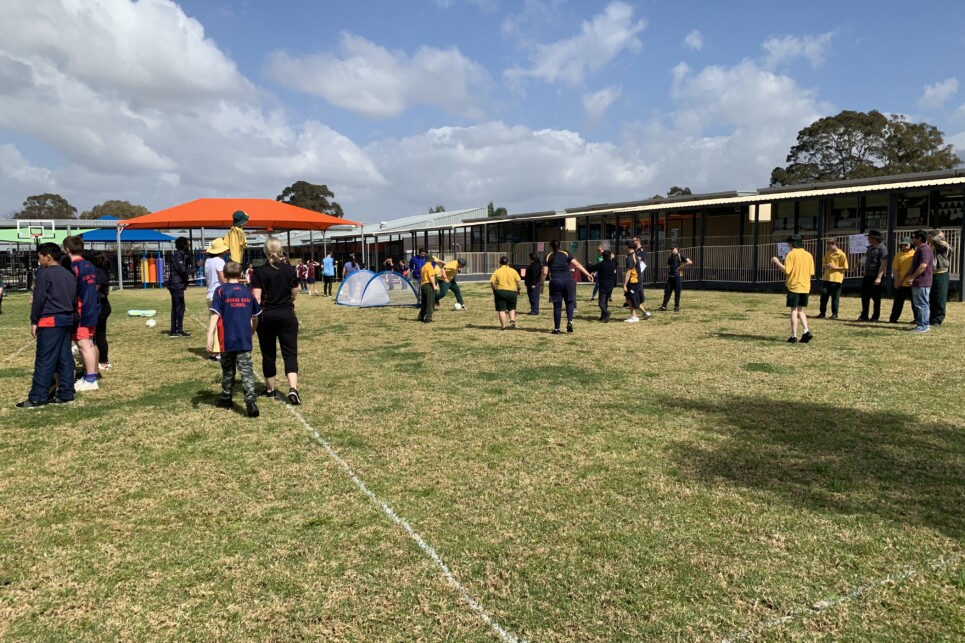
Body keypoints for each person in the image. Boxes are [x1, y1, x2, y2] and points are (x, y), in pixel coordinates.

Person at [17, 243, 77, 408]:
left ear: (48, 256)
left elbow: (39, 300)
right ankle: (66, 393)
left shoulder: (44, 274)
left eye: (39, 257)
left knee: (44, 359)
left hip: (50, 321)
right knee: (64, 358)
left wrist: (34, 320)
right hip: (67, 319)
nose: (39, 261)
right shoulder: (69, 274)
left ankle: (38, 397)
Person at [250, 237, 301, 405]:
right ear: (281, 250)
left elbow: (256, 298)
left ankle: (270, 389)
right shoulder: (289, 270)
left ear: (265, 251)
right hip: (287, 315)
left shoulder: (258, 271)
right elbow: (294, 292)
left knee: (268, 354)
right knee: (290, 353)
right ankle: (293, 388)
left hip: (266, 317)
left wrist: (251, 316)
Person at [63, 236, 100, 390]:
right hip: (92, 307)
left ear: (66, 249)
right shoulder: (89, 265)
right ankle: (89, 375)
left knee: (84, 344)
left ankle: (91, 379)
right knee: (89, 343)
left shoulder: (74, 266)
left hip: (82, 309)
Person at [540, 239, 593, 334]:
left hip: (556, 281)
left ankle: (557, 329)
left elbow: (544, 272)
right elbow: (577, 264)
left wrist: (542, 284)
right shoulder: (566, 253)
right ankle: (570, 321)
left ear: (550, 246)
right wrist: (588, 274)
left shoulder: (548, 256)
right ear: (560, 245)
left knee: (557, 305)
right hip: (568, 280)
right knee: (569, 301)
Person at [771, 234, 814, 343]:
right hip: (805, 286)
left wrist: (777, 262)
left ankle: (793, 335)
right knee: (800, 310)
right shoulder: (808, 255)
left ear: (792, 243)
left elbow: (787, 270)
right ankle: (806, 331)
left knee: (794, 310)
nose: (787, 245)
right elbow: (811, 272)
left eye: (788, 243)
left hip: (794, 286)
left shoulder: (791, 254)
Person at [204, 237, 229, 361]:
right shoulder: (219, 261)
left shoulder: (208, 261)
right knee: (220, 324)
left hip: (209, 294)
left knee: (212, 323)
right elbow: (223, 279)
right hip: (218, 294)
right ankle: (219, 351)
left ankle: (213, 351)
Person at [905, 230, 934, 334]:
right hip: (918, 282)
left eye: (913, 237)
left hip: (923, 282)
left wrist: (912, 277)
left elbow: (923, 266)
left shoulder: (925, 250)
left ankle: (923, 325)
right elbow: (914, 266)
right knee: (919, 304)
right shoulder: (919, 249)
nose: (912, 239)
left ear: (919, 238)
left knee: (922, 304)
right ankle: (922, 323)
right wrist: (904, 276)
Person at [858, 229, 887, 322]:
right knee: (864, 296)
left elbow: (883, 264)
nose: (868, 239)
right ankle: (864, 315)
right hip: (867, 275)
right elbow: (865, 258)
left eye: (869, 237)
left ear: (874, 238)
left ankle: (875, 316)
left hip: (875, 275)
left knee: (875, 297)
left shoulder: (882, 248)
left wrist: (879, 277)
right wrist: (857, 265)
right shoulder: (870, 248)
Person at [168, 236, 193, 337]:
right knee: (179, 307)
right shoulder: (178, 256)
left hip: (176, 284)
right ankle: (178, 330)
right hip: (176, 284)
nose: (188, 246)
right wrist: (197, 266)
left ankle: (174, 330)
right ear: (184, 245)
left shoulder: (182, 256)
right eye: (187, 244)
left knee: (176, 307)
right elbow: (183, 270)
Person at [816, 239, 848, 319]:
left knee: (835, 297)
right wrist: (826, 265)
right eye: (827, 245)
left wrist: (835, 267)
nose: (828, 247)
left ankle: (835, 313)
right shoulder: (828, 254)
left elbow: (845, 267)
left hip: (836, 278)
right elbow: (824, 264)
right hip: (826, 277)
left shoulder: (841, 254)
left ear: (834, 244)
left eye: (829, 245)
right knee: (824, 295)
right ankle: (822, 312)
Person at [92, 253, 113, 371]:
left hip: (101, 307)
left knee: (99, 336)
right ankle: (102, 360)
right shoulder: (103, 271)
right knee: (98, 335)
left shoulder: (99, 273)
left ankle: (103, 361)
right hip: (103, 306)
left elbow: (101, 291)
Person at [490, 256, 522, 330]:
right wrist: (519, 289)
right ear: (508, 263)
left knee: (501, 310)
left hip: (500, 291)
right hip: (512, 292)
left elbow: (492, 282)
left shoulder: (497, 271)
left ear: (500, 263)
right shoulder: (513, 271)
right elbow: (518, 281)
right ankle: (512, 321)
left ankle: (503, 326)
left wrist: (494, 289)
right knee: (512, 308)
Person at [888, 237, 915, 324]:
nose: (904, 247)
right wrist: (896, 281)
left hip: (912, 283)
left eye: (906, 245)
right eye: (902, 245)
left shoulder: (914, 254)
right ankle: (893, 318)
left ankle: (917, 318)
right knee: (898, 302)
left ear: (911, 245)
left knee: (915, 303)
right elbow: (895, 269)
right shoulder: (898, 255)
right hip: (901, 282)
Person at [622, 241, 650, 323]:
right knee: (629, 298)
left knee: (632, 299)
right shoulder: (633, 256)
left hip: (633, 281)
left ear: (628, 247)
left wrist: (625, 284)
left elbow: (628, 272)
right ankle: (644, 313)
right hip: (636, 280)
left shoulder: (631, 257)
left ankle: (634, 316)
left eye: (626, 246)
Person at [658, 244, 692, 312]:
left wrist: (682, 266)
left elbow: (690, 262)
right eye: (671, 249)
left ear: (677, 248)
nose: (672, 250)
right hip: (671, 277)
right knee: (667, 292)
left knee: (677, 292)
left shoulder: (680, 255)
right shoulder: (671, 256)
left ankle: (676, 307)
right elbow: (670, 264)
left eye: (673, 248)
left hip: (677, 277)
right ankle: (664, 306)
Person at [587, 249, 618, 322]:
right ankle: (603, 316)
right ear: (610, 256)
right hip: (611, 285)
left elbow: (590, 268)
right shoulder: (613, 263)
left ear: (602, 256)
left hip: (603, 285)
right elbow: (616, 262)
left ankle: (606, 312)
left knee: (601, 302)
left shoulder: (601, 264)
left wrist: (588, 264)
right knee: (606, 301)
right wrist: (613, 257)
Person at [928, 229, 951, 326]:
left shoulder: (944, 244)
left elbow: (936, 241)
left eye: (930, 236)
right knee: (931, 297)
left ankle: (938, 319)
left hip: (941, 273)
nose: (928, 238)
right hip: (931, 273)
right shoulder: (930, 246)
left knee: (939, 297)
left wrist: (940, 235)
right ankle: (931, 318)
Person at [417, 255, 440, 323]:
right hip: (428, 285)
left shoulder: (423, 267)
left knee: (424, 302)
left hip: (423, 285)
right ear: (430, 260)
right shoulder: (429, 266)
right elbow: (431, 276)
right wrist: (434, 285)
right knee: (430, 303)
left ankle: (421, 316)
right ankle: (428, 318)